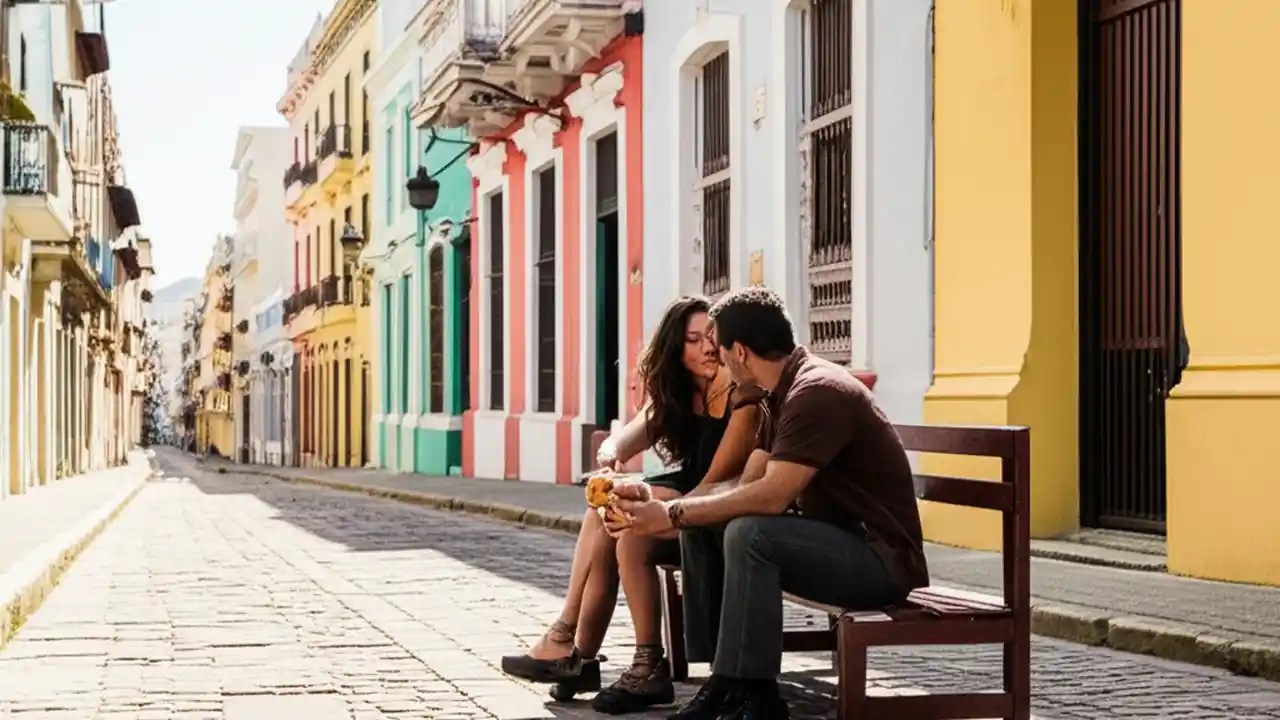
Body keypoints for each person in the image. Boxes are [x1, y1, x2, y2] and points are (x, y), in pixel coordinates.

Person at [610, 286, 930, 720]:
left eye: (721, 354)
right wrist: (661, 502)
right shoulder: (780, 393)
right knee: (716, 522)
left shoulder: (817, 391)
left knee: (750, 532)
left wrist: (673, 512)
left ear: (740, 352)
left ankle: (754, 693)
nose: (719, 365)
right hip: (838, 541)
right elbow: (745, 481)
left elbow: (772, 495)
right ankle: (725, 681)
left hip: (881, 560)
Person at [501, 295, 765, 714]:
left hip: (715, 503)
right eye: (693, 340)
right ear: (676, 349)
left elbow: (715, 482)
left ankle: (572, 648)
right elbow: (633, 431)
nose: (707, 348)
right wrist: (610, 457)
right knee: (614, 516)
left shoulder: (740, 397)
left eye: (712, 338)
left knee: (624, 513)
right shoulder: (680, 390)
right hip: (684, 501)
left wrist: (652, 502)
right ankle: (616, 660)